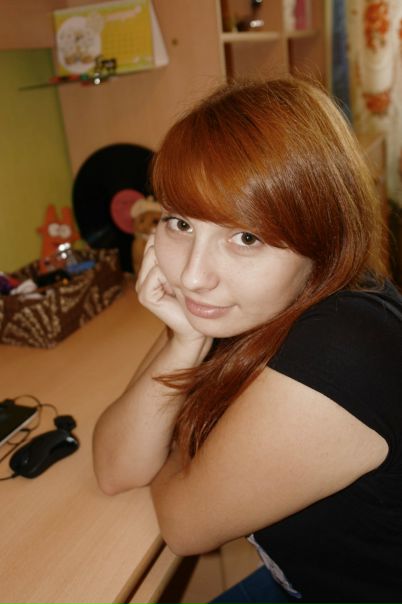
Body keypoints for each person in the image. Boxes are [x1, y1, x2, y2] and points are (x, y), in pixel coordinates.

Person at [92, 77, 402, 603]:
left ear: (323, 238)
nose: (193, 277)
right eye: (179, 223)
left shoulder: (342, 350)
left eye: (245, 237)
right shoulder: (245, 307)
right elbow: (116, 468)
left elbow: (184, 524)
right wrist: (184, 341)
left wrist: (185, 449)